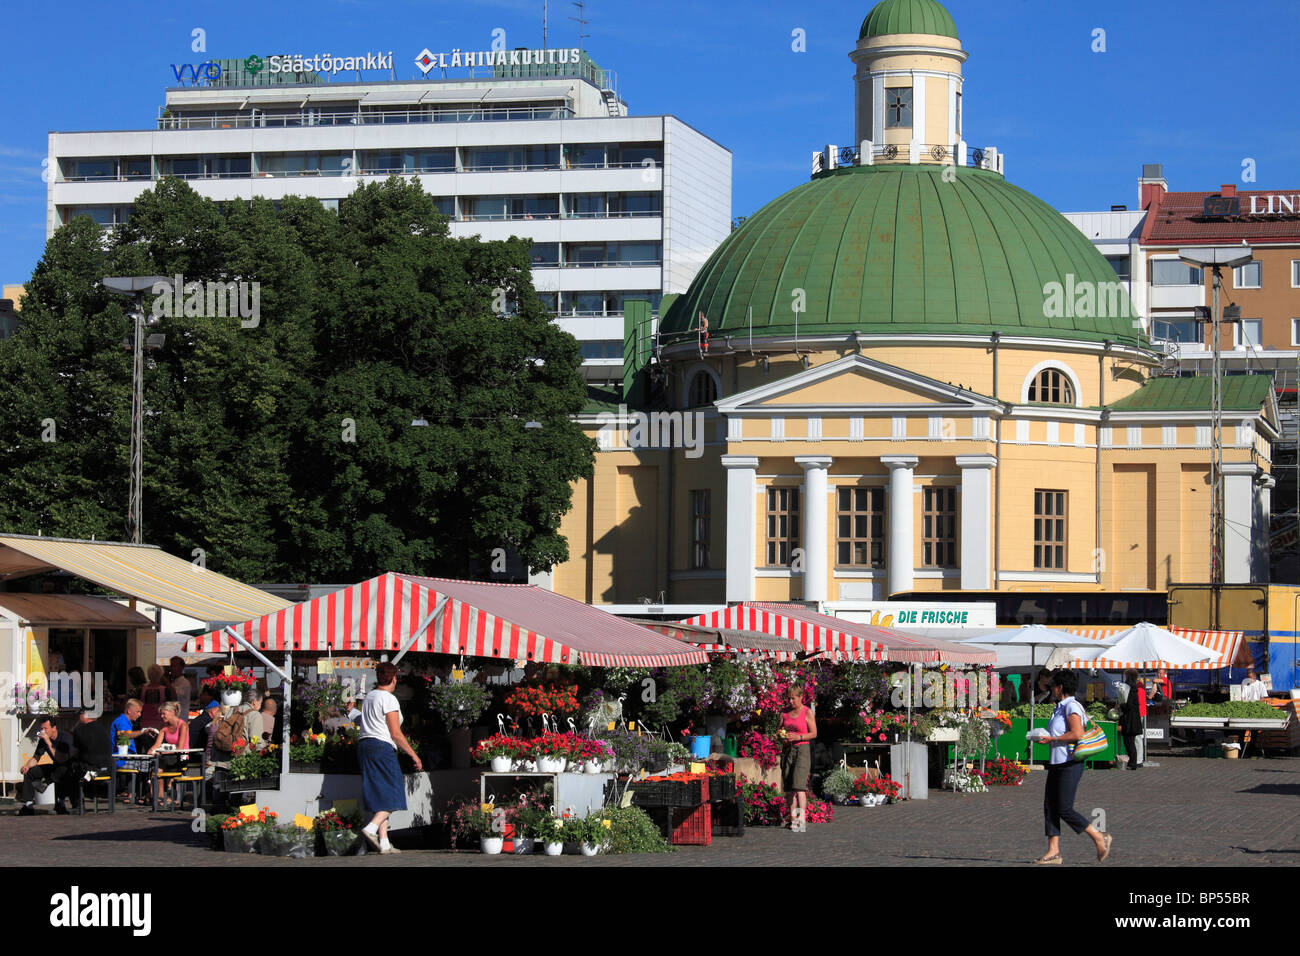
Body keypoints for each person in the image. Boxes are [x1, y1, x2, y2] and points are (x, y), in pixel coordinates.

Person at [1034, 670, 1112, 864]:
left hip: (1070, 763)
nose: (1050, 688)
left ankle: (1098, 836)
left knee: (1064, 808)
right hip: (1056, 762)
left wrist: (1053, 738)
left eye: (1053, 685)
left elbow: (1077, 733)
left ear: (1060, 687)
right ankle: (1053, 851)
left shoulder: (1072, 706)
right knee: (1050, 806)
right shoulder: (1059, 707)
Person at [358, 662, 421, 855]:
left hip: (364, 745)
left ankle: (384, 841)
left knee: (380, 794)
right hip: (381, 747)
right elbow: (395, 733)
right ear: (394, 679)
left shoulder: (370, 697)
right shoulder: (389, 699)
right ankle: (371, 828)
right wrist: (414, 755)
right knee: (394, 792)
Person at [779, 679, 817, 833]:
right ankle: (793, 819)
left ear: (801, 697)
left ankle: (802, 820)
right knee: (789, 788)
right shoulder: (785, 713)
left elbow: (814, 733)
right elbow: (779, 730)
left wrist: (799, 737)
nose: (790, 701)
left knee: (799, 786)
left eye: (793, 698)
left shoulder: (807, 712)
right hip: (788, 751)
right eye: (789, 698)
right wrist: (781, 736)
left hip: (802, 750)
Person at [17, 717, 71, 815]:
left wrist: (48, 743)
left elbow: (61, 759)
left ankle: (60, 803)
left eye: (46, 728)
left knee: (61, 770)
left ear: (53, 728)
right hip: (54, 767)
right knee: (29, 772)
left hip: (67, 766)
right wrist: (27, 766)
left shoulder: (64, 737)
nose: (43, 731)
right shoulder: (43, 740)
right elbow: (36, 757)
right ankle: (28, 805)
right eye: (42, 729)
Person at [146, 701, 190, 807]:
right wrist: (151, 750)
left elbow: (180, 748)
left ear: (171, 712)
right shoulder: (164, 727)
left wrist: (163, 752)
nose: (162, 716)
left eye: (163, 713)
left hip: (181, 757)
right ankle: (159, 797)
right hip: (168, 758)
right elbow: (156, 745)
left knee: (158, 766)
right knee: (157, 766)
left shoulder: (183, 725)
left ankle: (157, 796)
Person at [69, 708, 114, 811]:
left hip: (89, 771)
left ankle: (78, 804)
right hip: (106, 770)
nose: (78, 717)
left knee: (70, 769)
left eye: (80, 714)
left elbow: (75, 753)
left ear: (85, 715)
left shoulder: (80, 730)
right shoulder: (103, 729)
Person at [1117, 669, 1143, 770]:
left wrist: (1121, 705)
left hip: (1129, 718)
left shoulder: (1128, 687)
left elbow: (1129, 704)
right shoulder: (1135, 687)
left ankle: (1133, 763)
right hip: (1134, 717)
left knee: (1129, 741)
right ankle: (1133, 762)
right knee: (1130, 740)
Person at [140, 664, 170, 729]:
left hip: (145, 723)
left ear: (148, 675)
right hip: (160, 724)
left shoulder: (141, 689)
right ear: (161, 675)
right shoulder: (165, 690)